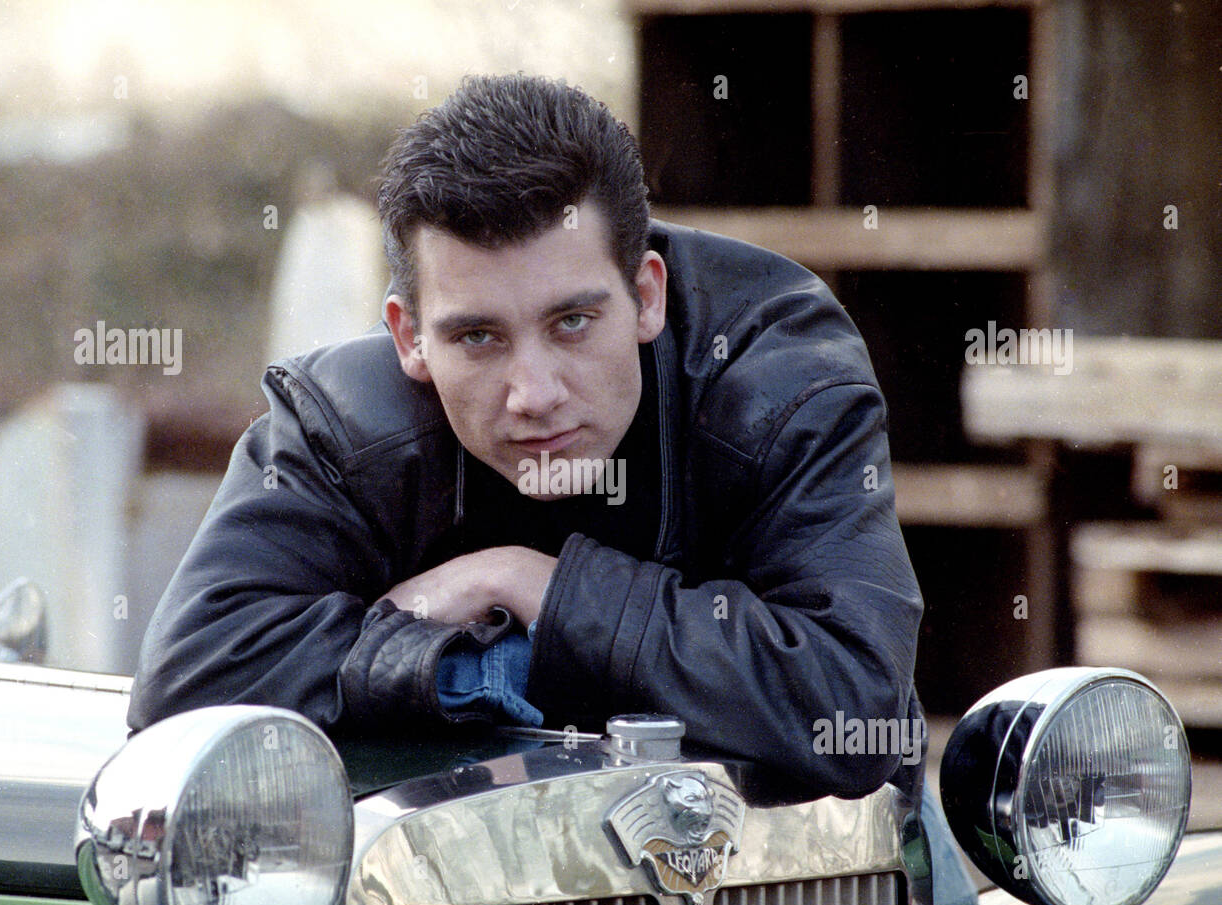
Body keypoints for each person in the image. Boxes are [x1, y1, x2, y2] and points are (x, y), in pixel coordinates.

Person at [129, 73, 924, 804]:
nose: (534, 395)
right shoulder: (346, 423)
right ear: (408, 338)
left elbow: (851, 706)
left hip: (793, 873)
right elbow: (187, 683)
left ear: (648, 295)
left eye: (572, 322)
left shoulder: (776, 376)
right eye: (478, 337)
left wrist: (528, 586)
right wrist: (481, 670)